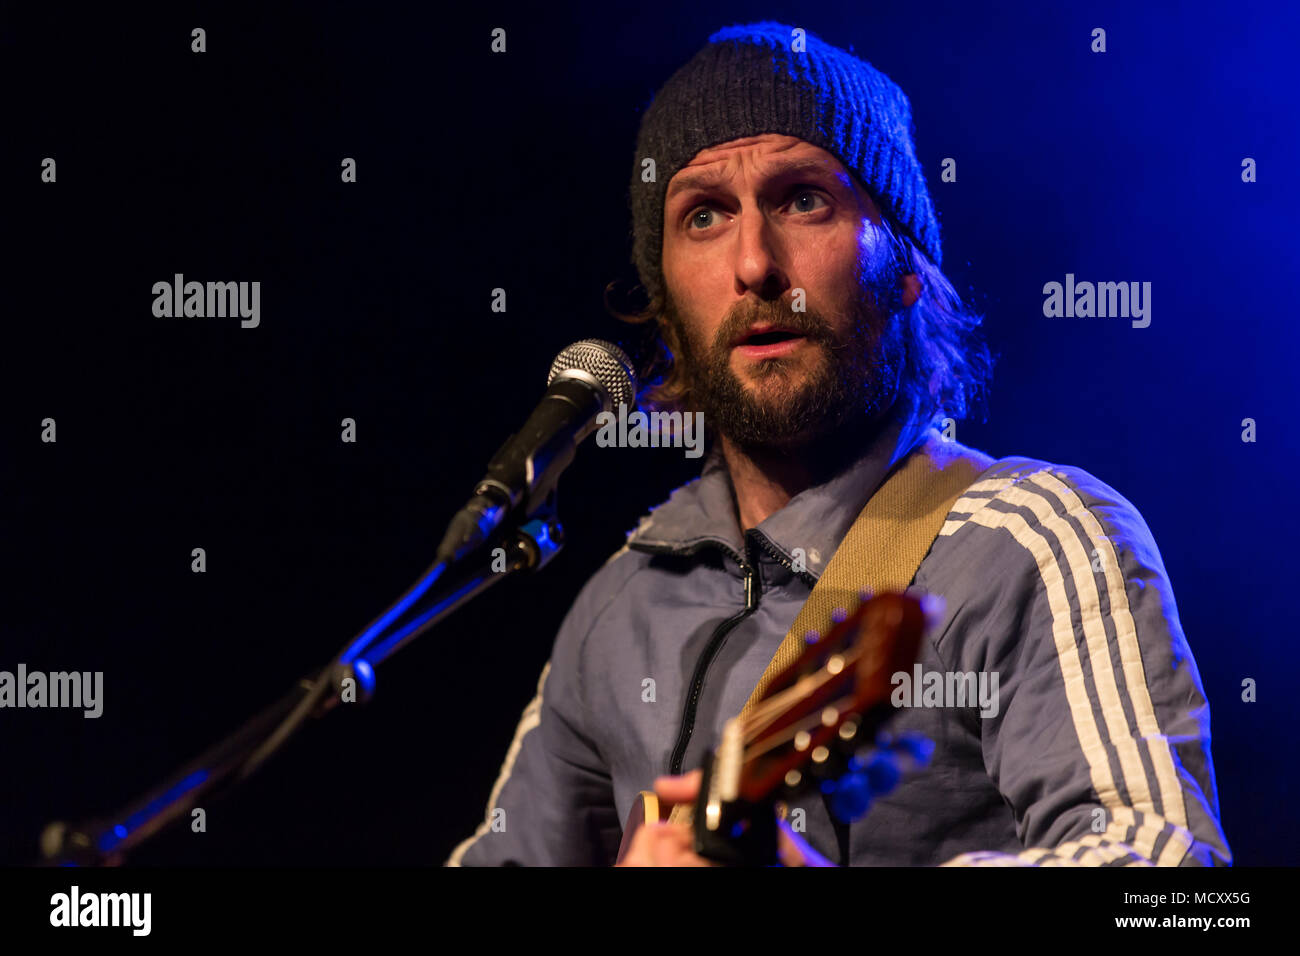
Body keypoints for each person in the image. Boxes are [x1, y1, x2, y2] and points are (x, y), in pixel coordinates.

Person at [446, 20, 1230, 867]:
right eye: (703, 215)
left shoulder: (1032, 541)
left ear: (903, 263)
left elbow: (1170, 879)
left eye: (803, 199)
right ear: (665, 300)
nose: (753, 264)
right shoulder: (620, 601)